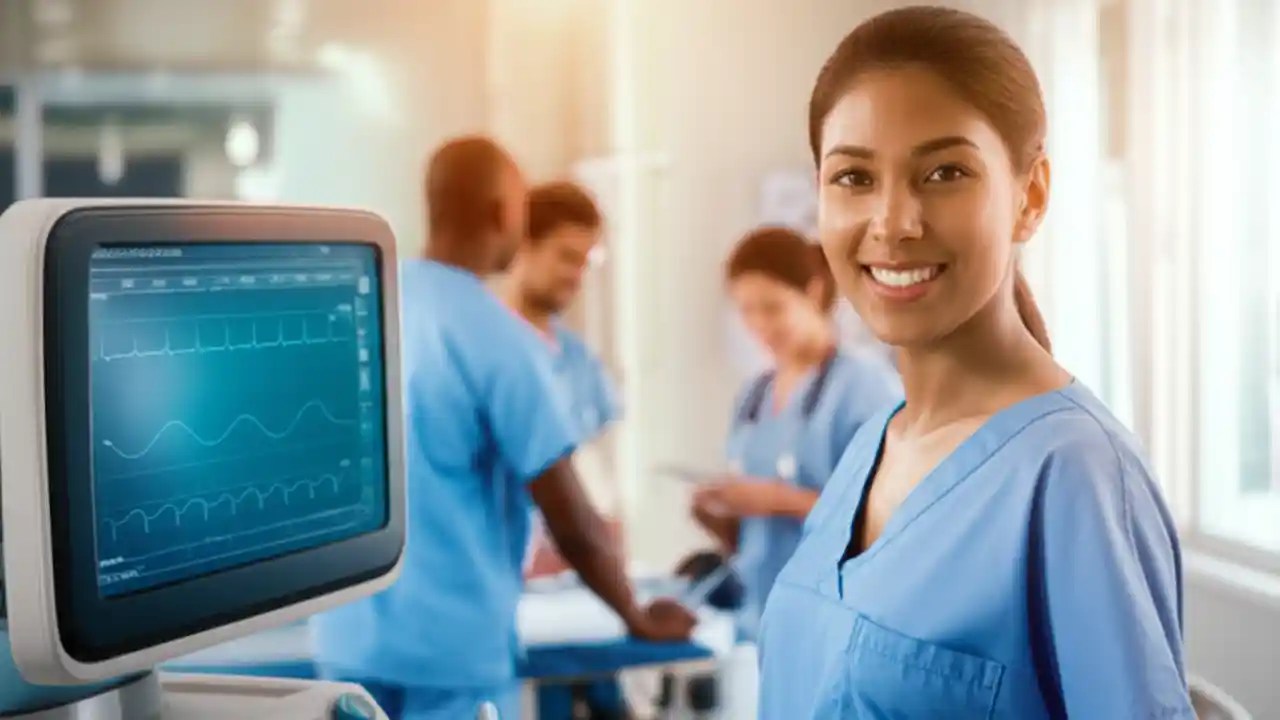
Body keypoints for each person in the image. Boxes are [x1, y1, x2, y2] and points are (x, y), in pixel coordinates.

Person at [756, 7, 1193, 719]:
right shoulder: (873, 445)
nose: (894, 222)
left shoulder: (1072, 474)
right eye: (854, 179)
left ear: (1031, 195)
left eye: (944, 172)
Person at [309, 136, 694, 720]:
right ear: (503, 214)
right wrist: (636, 614)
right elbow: (570, 517)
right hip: (450, 657)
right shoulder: (497, 339)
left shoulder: (362, 306)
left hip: (348, 646)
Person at [692, 227, 900, 643]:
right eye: (746, 311)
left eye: (773, 308)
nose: (760, 325)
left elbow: (892, 515)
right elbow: (753, 542)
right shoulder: (754, 395)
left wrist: (778, 501)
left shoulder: (866, 387)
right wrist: (719, 515)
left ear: (814, 291)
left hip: (841, 619)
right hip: (764, 617)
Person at [499, 180, 631, 720]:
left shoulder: (576, 361)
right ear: (523, 245)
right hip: (502, 588)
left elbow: (596, 472)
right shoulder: (487, 345)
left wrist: (603, 530)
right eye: (565, 257)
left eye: (586, 261)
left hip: (569, 586)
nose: (576, 275)